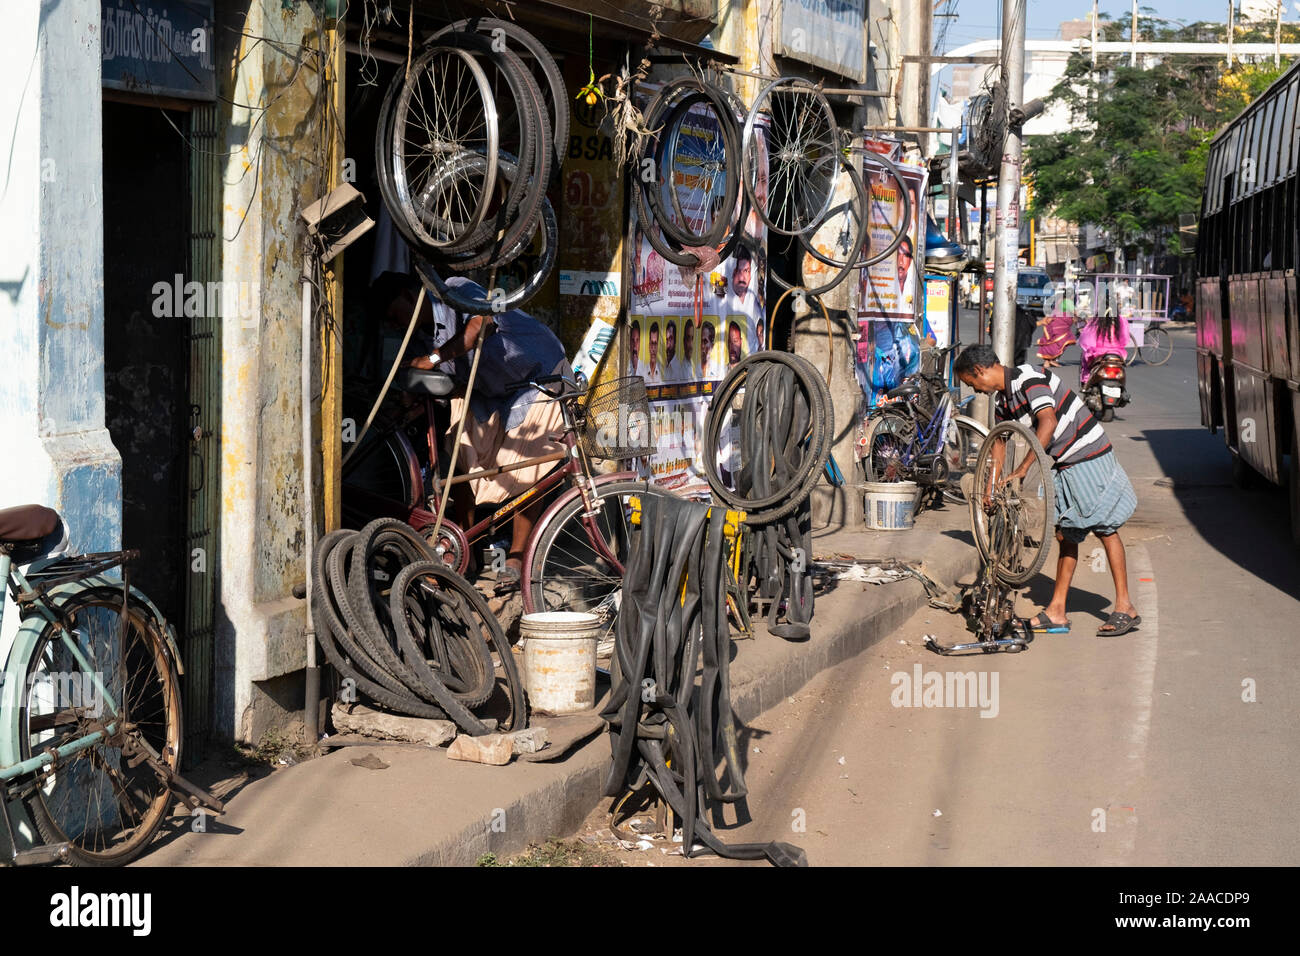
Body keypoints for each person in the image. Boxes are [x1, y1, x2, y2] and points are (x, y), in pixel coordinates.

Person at [388, 274, 569, 595]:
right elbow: (443, 381)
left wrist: (432, 360)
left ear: (407, 296)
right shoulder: (418, 338)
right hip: (489, 393)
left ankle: (514, 559)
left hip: (538, 377)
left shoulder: (454, 290)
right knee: (461, 456)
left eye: (393, 314)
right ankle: (465, 548)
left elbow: (480, 326)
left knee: (531, 468)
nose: (394, 324)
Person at [954, 344, 1141, 636]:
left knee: (1105, 528)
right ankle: (1056, 611)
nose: (976, 390)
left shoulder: (1030, 379)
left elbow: (1048, 422)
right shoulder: (1005, 398)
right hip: (1066, 462)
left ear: (980, 370)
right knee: (1066, 534)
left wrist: (1024, 468)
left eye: (972, 382)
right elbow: (999, 442)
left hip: (1087, 454)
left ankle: (1125, 606)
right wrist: (990, 487)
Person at [1078, 310, 1129, 388]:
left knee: (1086, 360)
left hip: (1099, 353)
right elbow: (1125, 339)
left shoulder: (1096, 320)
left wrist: (1090, 349)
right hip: (1117, 353)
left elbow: (1087, 339)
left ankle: (1086, 382)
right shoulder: (1121, 320)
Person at [1035, 299, 1077, 369]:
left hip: (1052, 323)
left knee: (1051, 342)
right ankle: (1052, 360)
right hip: (1059, 325)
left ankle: (1048, 362)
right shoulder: (1068, 301)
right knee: (1064, 341)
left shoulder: (1058, 301)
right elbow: (1075, 313)